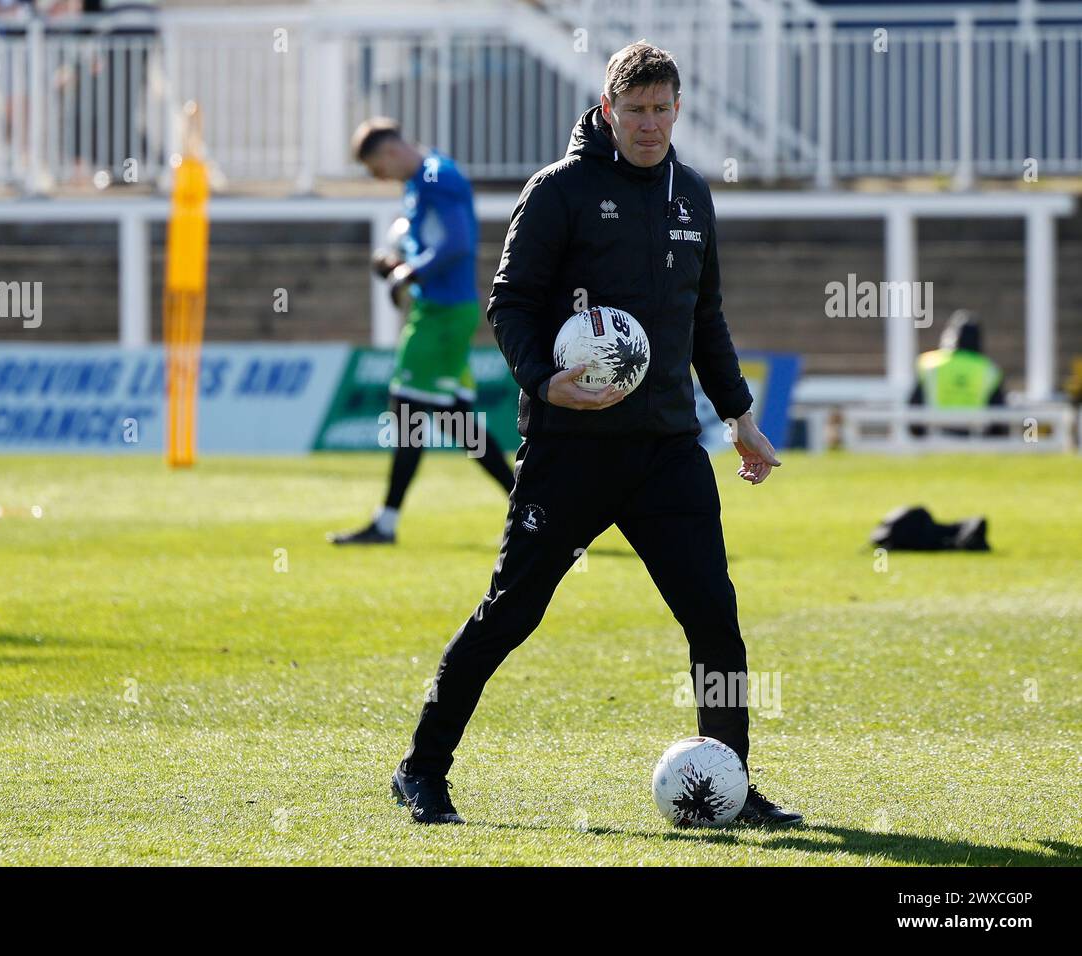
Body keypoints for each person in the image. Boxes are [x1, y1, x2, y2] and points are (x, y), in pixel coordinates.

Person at [390, 42, 802, 827]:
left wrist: (741, 419)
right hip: (569, 449)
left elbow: (703, 318)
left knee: (715, 619)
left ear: (678, 111)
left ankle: (733, 784)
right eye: (634, 109)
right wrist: (543, 381)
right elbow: (509, 302)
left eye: (661, 109)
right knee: (510, 613)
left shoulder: (693, 197)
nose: (649, 124)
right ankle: (422, 769)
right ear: (608, 110)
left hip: (667, 452)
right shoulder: (558, 191)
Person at [328, 118, 516, 545]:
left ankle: (387, 523)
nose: (379, 178)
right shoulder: (422, 180)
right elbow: (430, 241)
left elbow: (458, 243)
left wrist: (407, 273)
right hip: (442, 310)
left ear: (390, 151)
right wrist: (397, 261)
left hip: (442, 314)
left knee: (408, 407)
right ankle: (527, 507)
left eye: (377, 168)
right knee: (453, 419)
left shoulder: (436, 178)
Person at [908, 310, 1007, 437]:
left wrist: (921, 440)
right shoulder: (989, 369)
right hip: (975, 440)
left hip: (935, 439)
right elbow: (998, 418)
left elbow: (914, 409)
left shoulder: (929, 364)